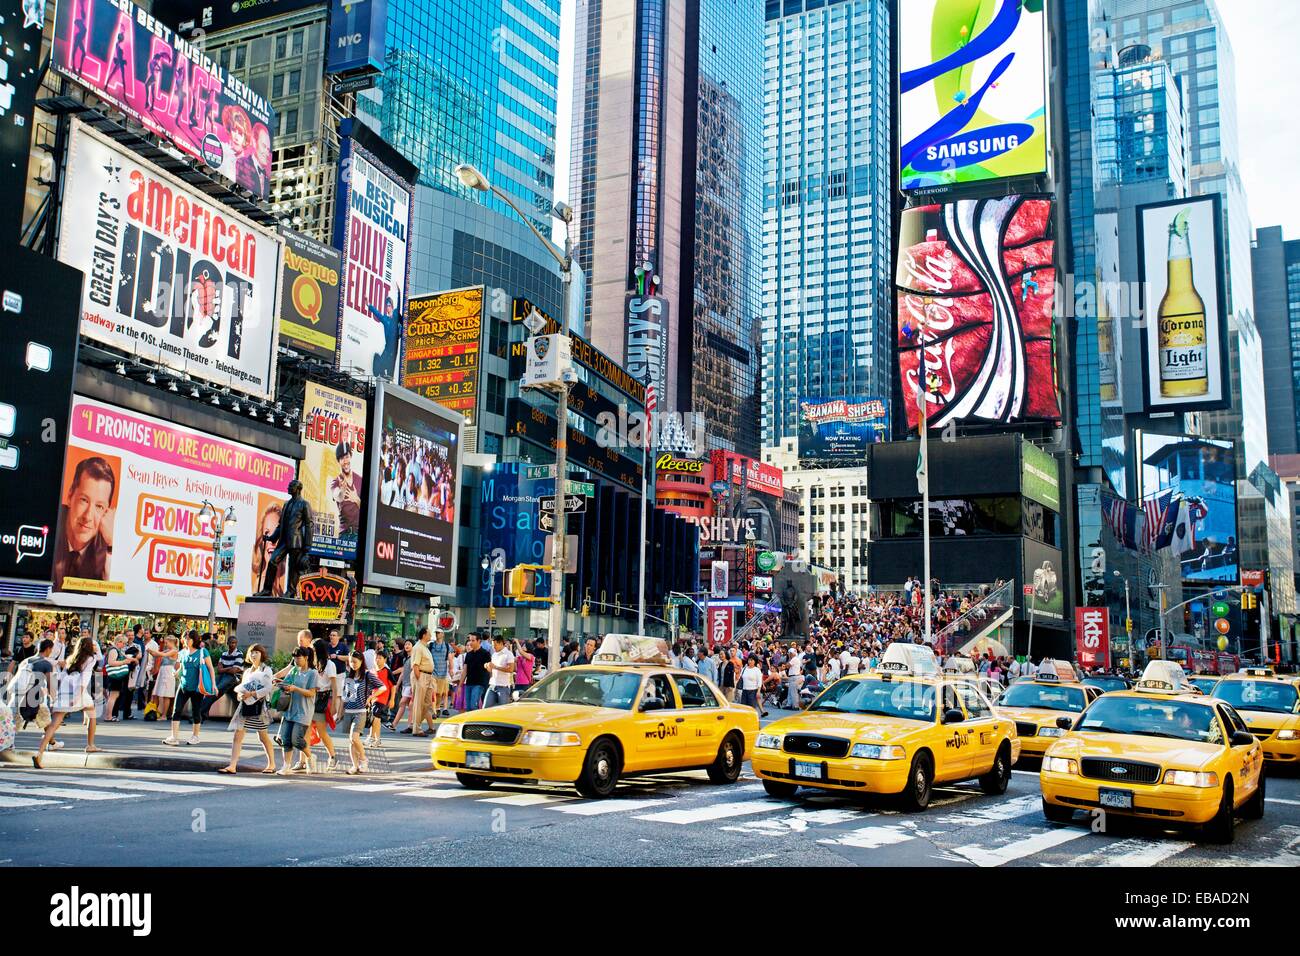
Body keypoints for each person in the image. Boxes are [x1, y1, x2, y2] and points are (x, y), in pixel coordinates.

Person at [33, 636, 102, 767]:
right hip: (78, 691)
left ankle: (39, 753)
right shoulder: (90, 659)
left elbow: (61, 676)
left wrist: (55, 694)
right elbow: (85, 678)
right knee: (92, 715)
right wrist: (77, 696)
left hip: (64, 690)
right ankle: (90, 745)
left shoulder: (70, 659)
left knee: (54, 723)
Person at [52, 456, 116, 591]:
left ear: (107, 511)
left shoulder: (106, 544)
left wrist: (111, 545)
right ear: (70, 496)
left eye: (99, 507)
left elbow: (111, 594)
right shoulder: (51, 524)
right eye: (84, 500)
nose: (88, 516)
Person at [219, 644, 276, 775]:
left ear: (262, 654)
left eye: (256, 652)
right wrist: (240, 695)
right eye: (251, 652)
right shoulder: (247, 671)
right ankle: (232, 765)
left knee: (262, 736)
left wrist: (252, 694)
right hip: (245, 705)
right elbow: (242, 687)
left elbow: (268, 688)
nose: (254, 655)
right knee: (237, 734)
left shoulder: (266, 670)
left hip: (259, 707)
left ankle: (271, 764)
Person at [165, 632, 215, 746]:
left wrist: (213, 684)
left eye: (188, 638)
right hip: (183, 686)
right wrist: (176, 673)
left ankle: (195, 736)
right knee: (176, 710)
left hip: (197, 687)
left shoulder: (202, 652)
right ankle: (174, 737)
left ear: (194, 639)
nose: (186, 640)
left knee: (196, 712)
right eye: (184, 638)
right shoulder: (182, 653)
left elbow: (210, 668)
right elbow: (182, 668)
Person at [274, 647, 318, 774]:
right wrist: (281, 684)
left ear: (306, 658)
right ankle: (286, 766)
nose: (296, 660)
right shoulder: (293, 670)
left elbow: (311, 692)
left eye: (298, 657)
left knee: (296, 739)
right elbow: (287, 684)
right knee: (286, 740)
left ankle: (310, 756)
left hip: (304, 711)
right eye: (294, 657)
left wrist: (295, 689)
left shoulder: (312, 673)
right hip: (289, 710)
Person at [340, 651, 382, 773]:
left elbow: (382, 687)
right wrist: (340, 712)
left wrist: (370, 698)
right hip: (348, 710)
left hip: (361, 711)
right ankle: (355, 765)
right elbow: (345, 696)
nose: (353, 664)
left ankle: (363, 759)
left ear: (361, 662)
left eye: (355, 662)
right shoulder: (349, 676)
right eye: (351, 661)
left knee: (354, 737)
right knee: (351, 740)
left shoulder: (367, 675)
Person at [308, 638, 341, 771]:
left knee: (322, 732)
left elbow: (334, 687)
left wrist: (334, 706)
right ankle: (305, 760)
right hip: (311, 697)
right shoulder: (313, 663)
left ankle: (332, 756)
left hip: (322, 699)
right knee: (305, 731)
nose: (311, 651)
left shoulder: (330, 665)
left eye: (313, 649)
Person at [403, 628, 436, 736]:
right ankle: (417, 729)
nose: (431, 635)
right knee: (418, 703)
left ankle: (415, 725)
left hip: (428, 676)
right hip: (421, 675)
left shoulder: (424, 647)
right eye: (429, 633)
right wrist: (418, 679)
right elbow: (415, 665)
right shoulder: (418, 647)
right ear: (424, 635)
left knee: (426, 704)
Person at [206, 634, 244, 720]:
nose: (233, 645)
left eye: (235, 643)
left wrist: (225, 669)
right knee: (214, 690)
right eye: (231, 643)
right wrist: (230, 668)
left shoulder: (239, 654)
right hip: (224, 676)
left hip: (234, 678)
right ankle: (203, 712)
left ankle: (201, 712)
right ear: (227, 643)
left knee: (217, 689)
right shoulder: (224, 654)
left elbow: (234, 671)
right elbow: (219, 670)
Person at [329, 441, 363, 536]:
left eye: (347, 456)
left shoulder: (360, 480)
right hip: (345, 534)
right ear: (338, 461)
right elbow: (338, 497)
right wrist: (342, 490)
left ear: (351, 457)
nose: (345, 461)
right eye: (342, 458)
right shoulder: (336, 482)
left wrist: (356, 499)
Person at [149, 635, 178, 723]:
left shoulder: (174, 650)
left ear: (172, 642)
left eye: (166, 642)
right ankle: (162, 713)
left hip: (169, 672)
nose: (165, 644)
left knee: (166, 695)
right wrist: (150, 651)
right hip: (163, 672)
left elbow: (163, 654)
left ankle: (164, 715)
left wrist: (155, 652)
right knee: (161, 693)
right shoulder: (168, 650)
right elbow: (157, 654)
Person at [367, 649, 393, 745]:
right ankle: (372, 737)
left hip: (382, 697)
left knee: (376, 716)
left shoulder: (387, 671)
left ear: (385, 660)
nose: (377, 660)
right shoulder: (372, 671)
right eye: (376, 658)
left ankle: (376, 739)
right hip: (373, 697)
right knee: (373, 717)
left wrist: (392, 699)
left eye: (380, 658)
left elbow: (393, 686)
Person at [102, 633, 130, 721]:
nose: (124, 645)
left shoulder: (115, 649)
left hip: (115, 677)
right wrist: (123, 662)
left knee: (113, 695)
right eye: (124, 643)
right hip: (114, 677)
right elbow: (111, 662)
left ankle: (108, 715)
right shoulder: (114, 650)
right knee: (113, 696)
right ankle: (109, 716)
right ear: (119, 642)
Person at [462, 635, 491, 711]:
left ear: (479, 641)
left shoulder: (485, 653)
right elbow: (465, 670)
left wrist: (490, 682)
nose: (471, 642)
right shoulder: (468, 654)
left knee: (473, 705)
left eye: (473, 640)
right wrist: (460, 685)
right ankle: (470, 722)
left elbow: (489, 669)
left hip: (480, 683)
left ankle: (475, 721)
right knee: (468, 707)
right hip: (469, 683)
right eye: (470, 640)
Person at [484, 636, 515, 708]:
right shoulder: (494, 655)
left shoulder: (508, 654)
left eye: (495, 645)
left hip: (503, 686)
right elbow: (491, 670)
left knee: (503, 710)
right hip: (492, 685)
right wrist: (487, 666)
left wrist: (495, 667)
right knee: (485, 708)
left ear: (501, 643)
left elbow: (511, 669)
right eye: (493, 645)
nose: (493, 647)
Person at [429, 628, 453, 717]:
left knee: (439, 693)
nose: (437, 634)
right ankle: (434, 711)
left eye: (439, 633)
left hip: (443, 672)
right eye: (436, 633)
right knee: (433, 692)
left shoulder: (447, 646)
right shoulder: (431, 645)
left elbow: (450, 659)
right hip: (433, 672)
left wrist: (451, 669)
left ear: (443, 634)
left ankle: (438, 708)